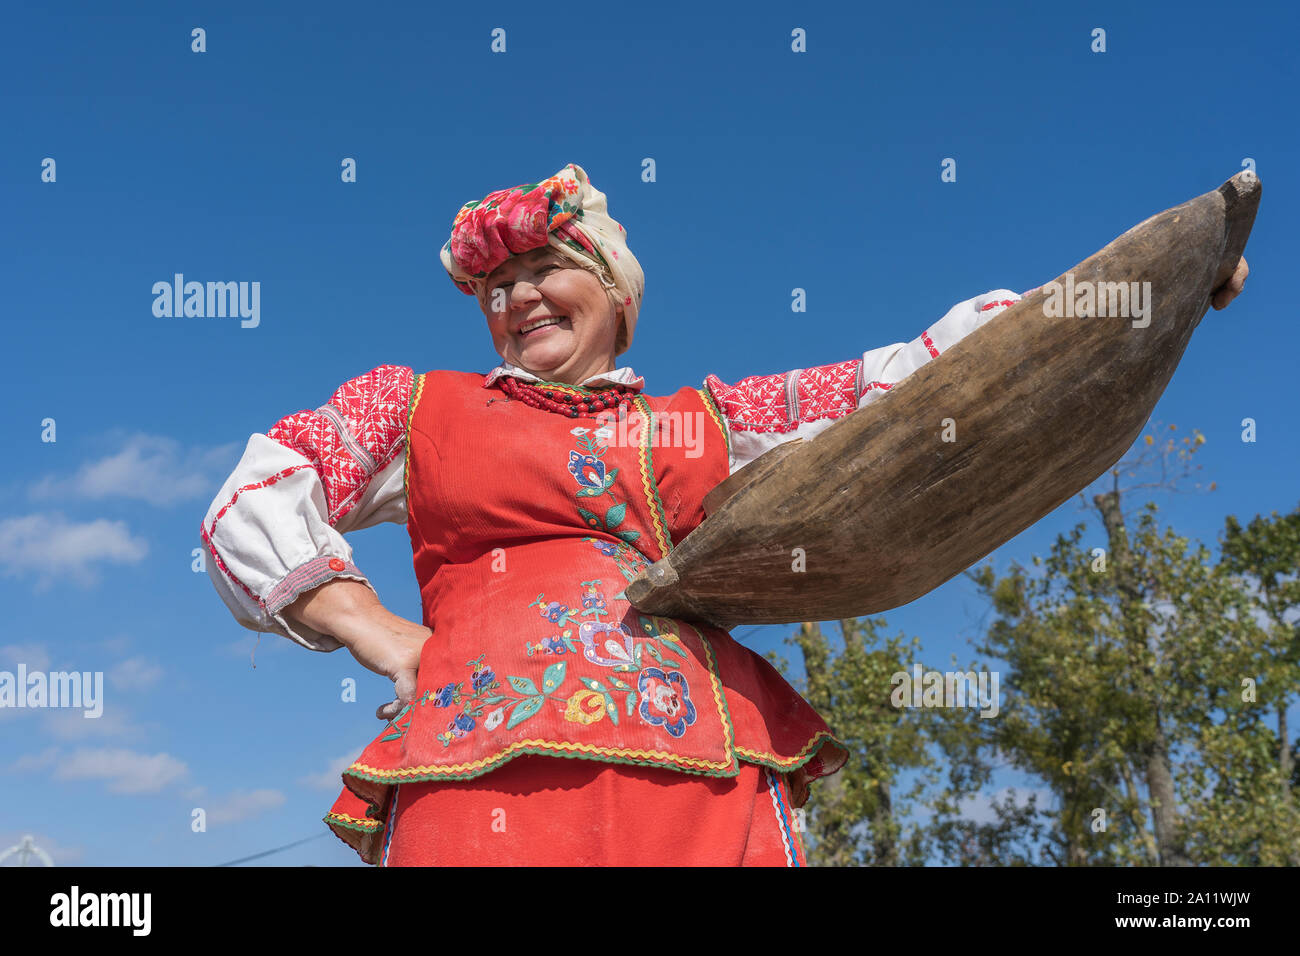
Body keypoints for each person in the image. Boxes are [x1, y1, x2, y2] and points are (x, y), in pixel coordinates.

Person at [199, 162, 1248, 867]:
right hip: (483, 770)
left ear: (615, 288)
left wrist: (1151, 289)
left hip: (706, 770)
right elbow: (256, 494)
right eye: (496, 284)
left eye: (543, 270)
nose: (515, 298)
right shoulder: (418, 406)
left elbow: (921, 377)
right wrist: (377, 628)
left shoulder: (707, 419)